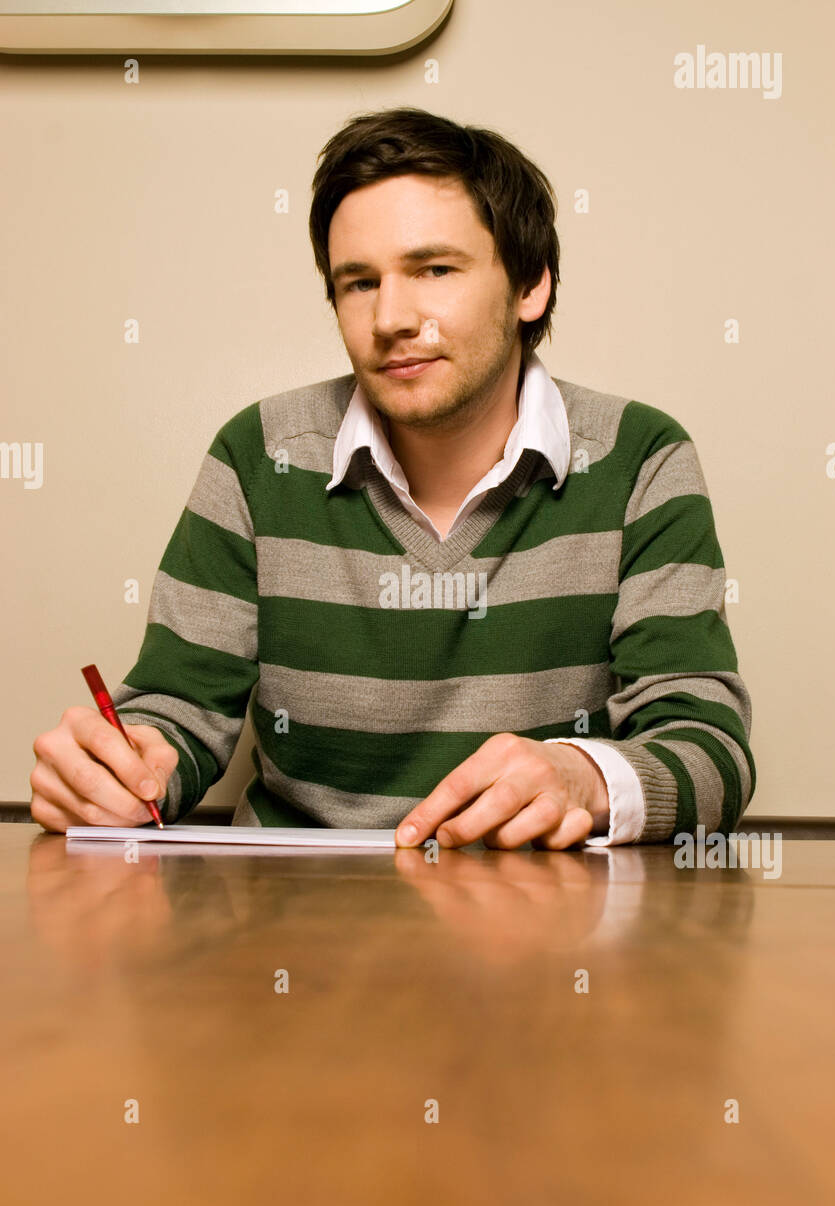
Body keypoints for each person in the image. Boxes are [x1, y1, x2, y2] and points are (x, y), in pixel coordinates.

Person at [30, 107, 756, 849]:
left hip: (542, 926)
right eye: (358, 283)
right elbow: (176, 710)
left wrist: (581, 778)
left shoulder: (641, 459)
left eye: (433, 270)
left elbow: (708, 748)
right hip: (292, 926)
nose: (390, 318)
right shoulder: (258, 455)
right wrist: (128, 768)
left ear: (531, 284)